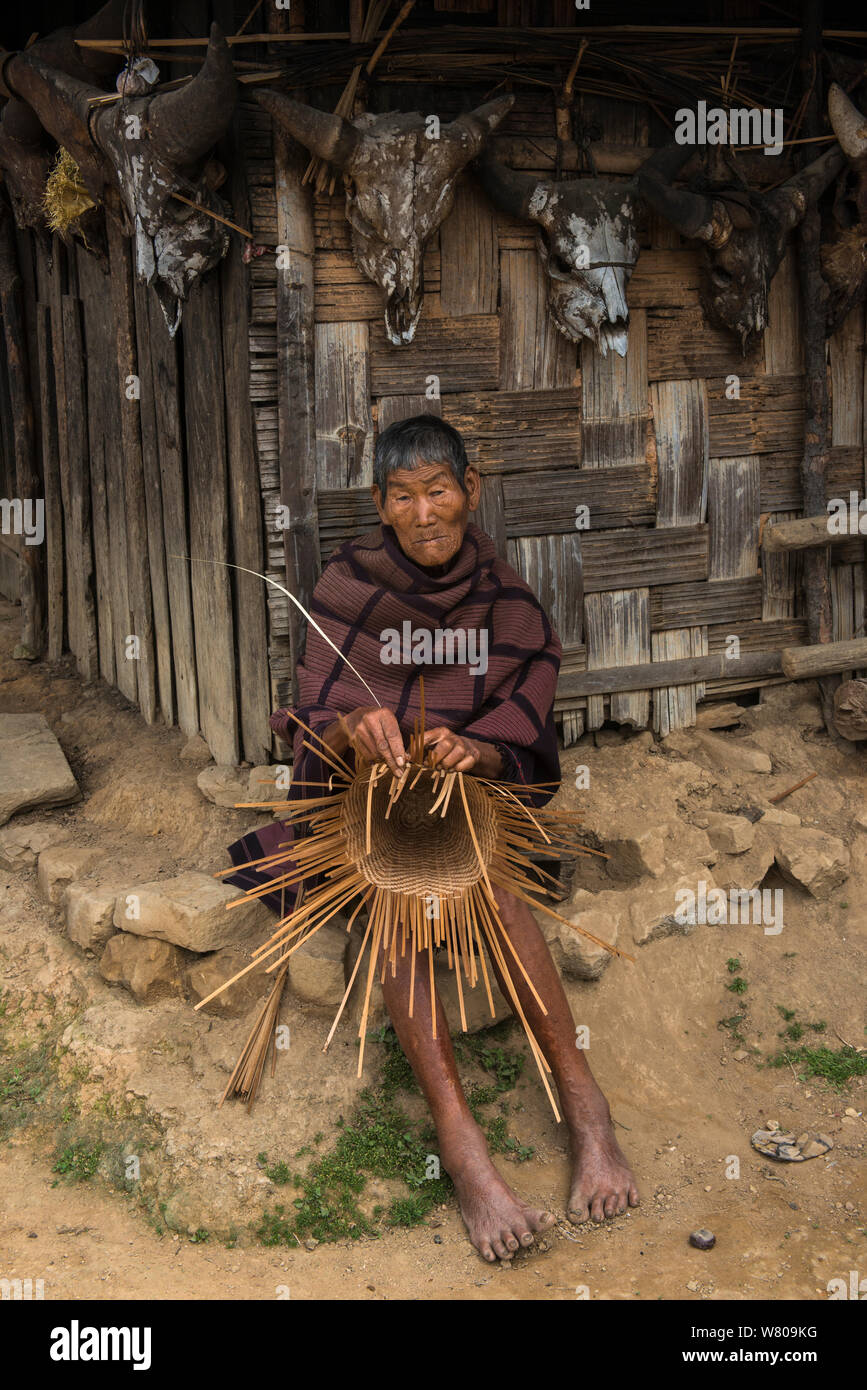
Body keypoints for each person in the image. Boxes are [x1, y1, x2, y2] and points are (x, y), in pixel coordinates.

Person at [226, 414, 639, 1263]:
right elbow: (308, 719)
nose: (424, 513)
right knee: (392, 899)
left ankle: (585, 1107)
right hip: (359, 809)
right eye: (404, 496)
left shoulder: (504, 597)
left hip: (472, 803)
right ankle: (461, 1146)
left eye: (439, 490)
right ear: (381, 505)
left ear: (469, 491)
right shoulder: (347, 586)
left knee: (494, 886)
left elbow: (526, 707)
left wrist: (477, 747)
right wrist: (355, 726)